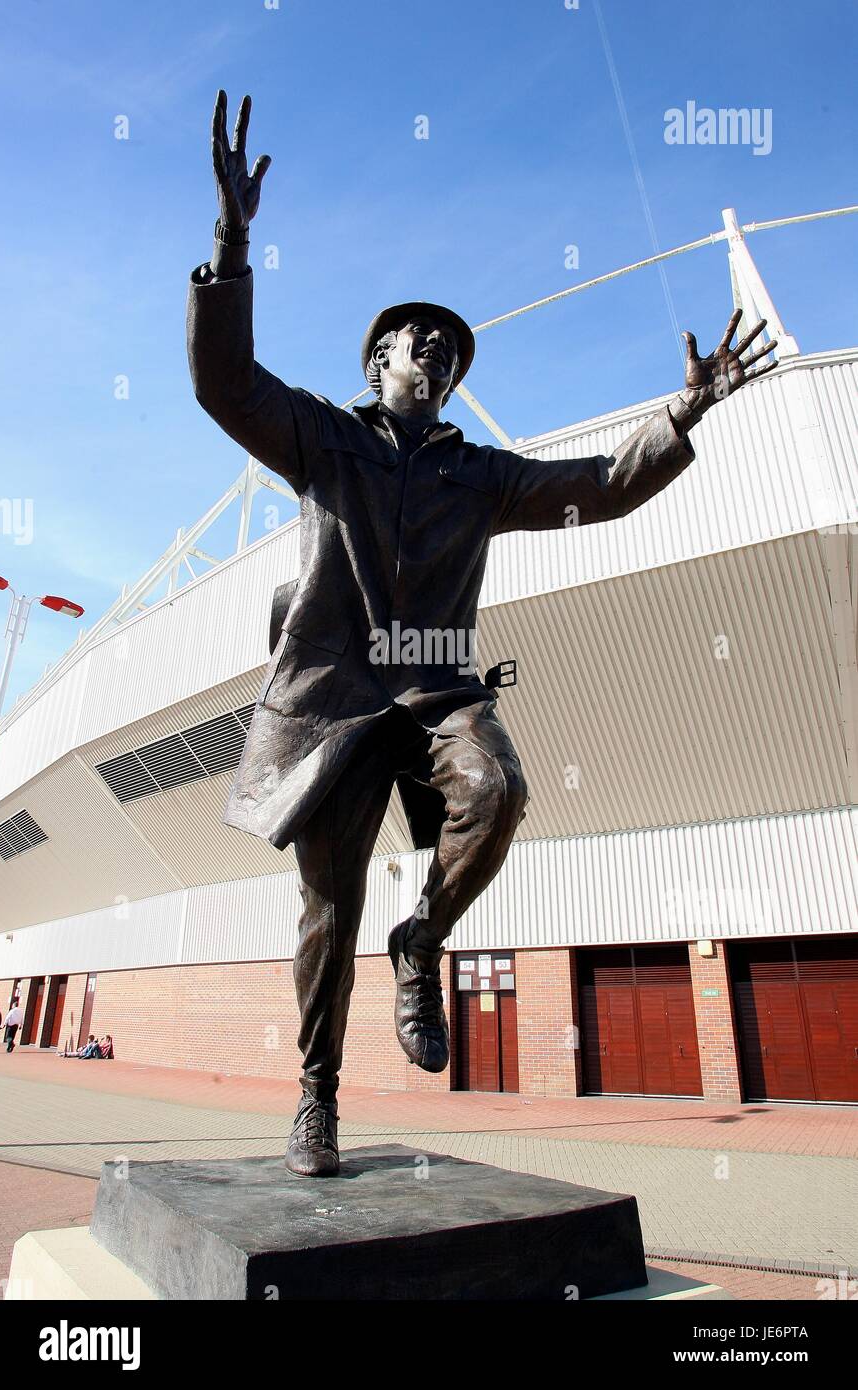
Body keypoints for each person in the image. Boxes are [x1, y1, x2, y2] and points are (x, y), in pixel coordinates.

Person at [189, 92, 779, 1177]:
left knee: (497, 789)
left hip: (431, 689)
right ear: (376, 366)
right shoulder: (322, 440)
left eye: (452, 347)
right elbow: (224, 381)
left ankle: (423, 937)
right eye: (419, 340)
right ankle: (314, 1095)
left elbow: (597, 485)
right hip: (331, 701)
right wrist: (230, 242)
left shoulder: (481, 474)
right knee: (327, 903)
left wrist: (680, 415)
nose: (437, 351)